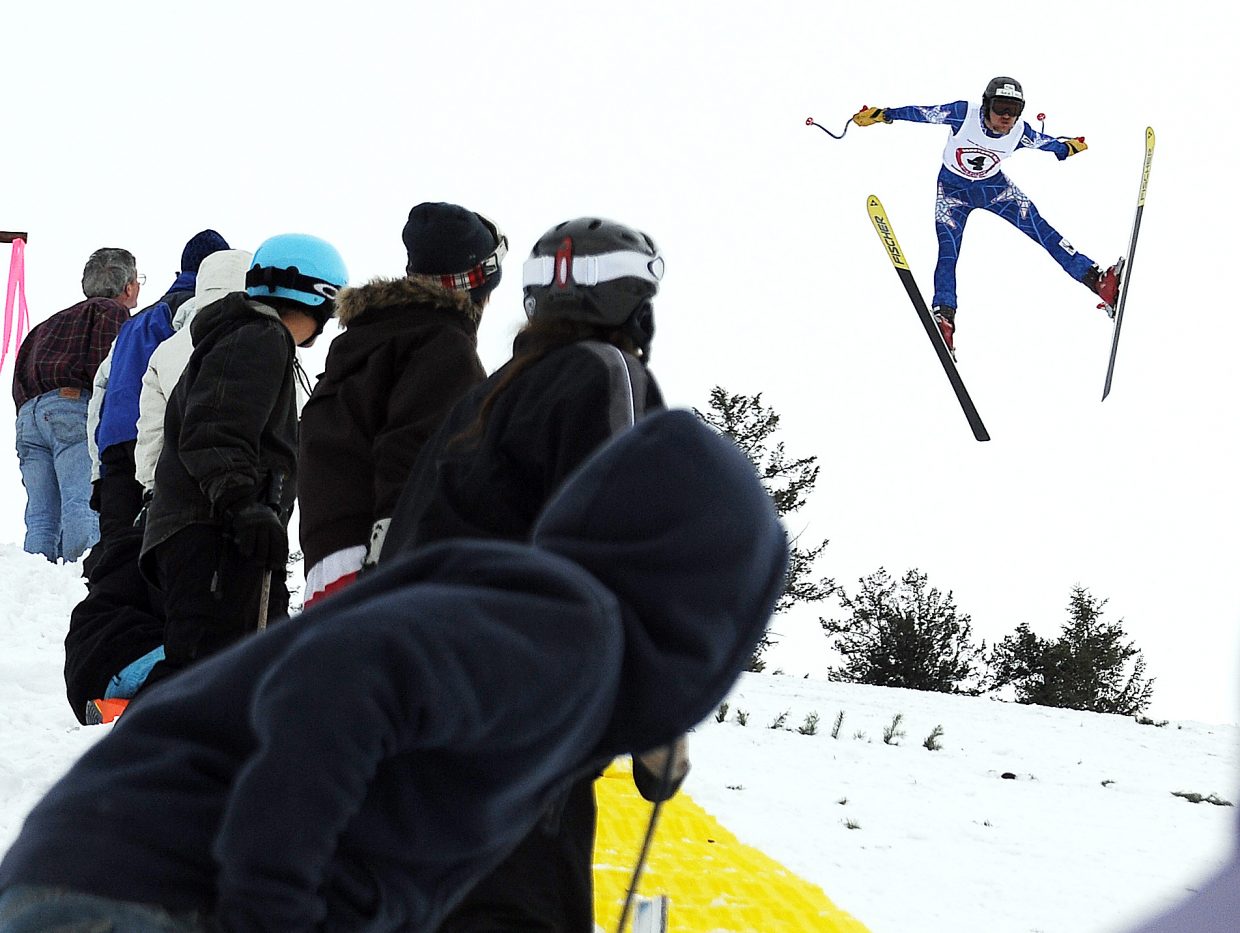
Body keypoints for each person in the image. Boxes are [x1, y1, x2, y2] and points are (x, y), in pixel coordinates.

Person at [0, 408, 787, 933]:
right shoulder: (569, 631)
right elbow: (339, 681)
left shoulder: (536, 636)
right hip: (147, 888)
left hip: (106, 869)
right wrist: (271, 910)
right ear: (704, 618)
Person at [380, 217, 666, 932]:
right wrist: (659, 713)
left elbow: (406, 547)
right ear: (635, 305)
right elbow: (619, 545)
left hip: (418, 720)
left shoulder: (481, 400)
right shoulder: (607, 375)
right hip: (521, 727)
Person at [138, 234, 347, 692]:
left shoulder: (249, 339)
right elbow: (213, 429)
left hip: (225, 534)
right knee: (206, 674)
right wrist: (243, 506)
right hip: (214, 532)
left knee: (240, 671)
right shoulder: (258, 336)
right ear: (318, 297)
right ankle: (148, 758)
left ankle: (212, 759)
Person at [63, 249, 253, 727]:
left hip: (119, 457)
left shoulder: (140, 328)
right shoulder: (219, 333)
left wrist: (101, 470)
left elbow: (102, 397)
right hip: (175, 465)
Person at [298, 202, 504, 607]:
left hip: (329, 559)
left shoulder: (364, 343)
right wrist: (392, 556)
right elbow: (416, 453)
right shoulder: (442, 345)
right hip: (383, 563)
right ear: (477, 287)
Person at [854, 76, 1120, 357]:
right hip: (952, 194)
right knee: (948, 252)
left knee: (1041, 230)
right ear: (986, 105)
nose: (1006, 117)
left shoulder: (1019, 132)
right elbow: (922, 113)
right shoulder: (962, 114)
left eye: (1013, 110)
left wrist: (1066, 148)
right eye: (1000, 107)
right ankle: (944, 317)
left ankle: (1097, 281)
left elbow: (1046, 143)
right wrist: (884, 115)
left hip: (994, 190)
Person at [87, 230, 230, 542]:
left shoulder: (134, 323)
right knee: (168, 546)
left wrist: (98, 471)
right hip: (159, 441)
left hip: (114, 444)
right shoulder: (202, 311)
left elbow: (99, 392)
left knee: (116, 549)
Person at [12, 248, 139, 563]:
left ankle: (40, 582)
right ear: (128, 287)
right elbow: (108, 372)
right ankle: (81, 581)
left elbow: (20, 376)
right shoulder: (111, 313)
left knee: (41, 516)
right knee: (80, 504)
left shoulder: (47, 324)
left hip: (29, 417)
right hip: (72, 408)